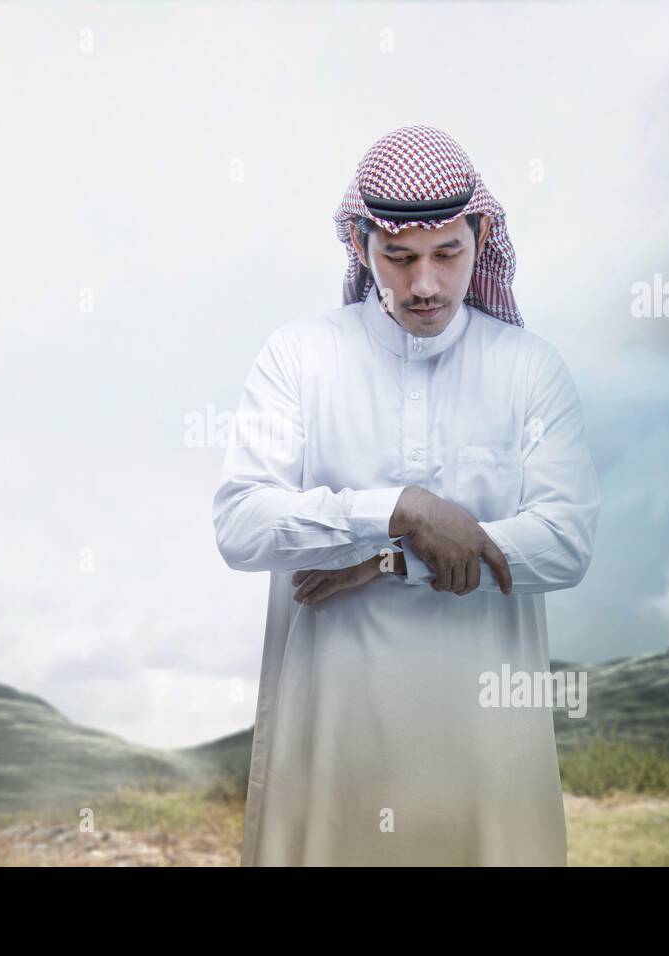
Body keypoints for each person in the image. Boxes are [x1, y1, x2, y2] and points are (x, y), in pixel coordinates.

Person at [211, 124, 601, 866]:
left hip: (488, 754)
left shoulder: (529, 369)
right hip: (331, 742)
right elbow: (241, 523)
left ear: (481, 236)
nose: (424, 284)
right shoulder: (301, 356)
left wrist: (390, 559)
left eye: (448, 254)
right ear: (361, 245)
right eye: (399, 257)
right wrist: (398, 509)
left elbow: (565, 540)